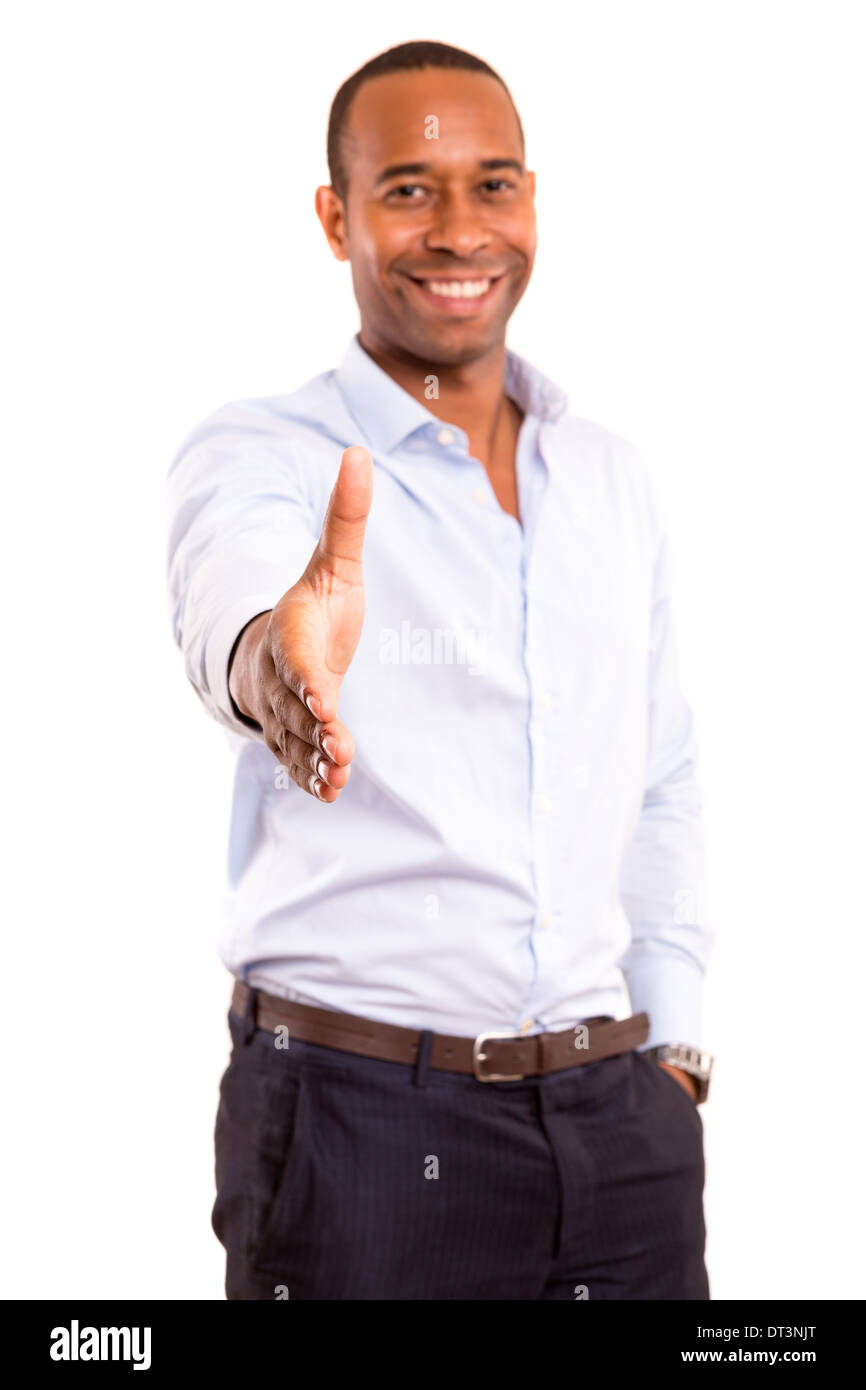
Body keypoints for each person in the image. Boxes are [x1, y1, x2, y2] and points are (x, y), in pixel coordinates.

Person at [166, 39, 716, 1301]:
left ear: (532, 202)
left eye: (493, 184)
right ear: (335, 215)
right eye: (407, 188)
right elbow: (234, 612)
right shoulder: (265, 454)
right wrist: (277, 662)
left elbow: (661, 773)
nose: (458, 229)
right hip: (361, 1134)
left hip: (617, 1132)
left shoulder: (609, 476)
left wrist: (671, 1053)